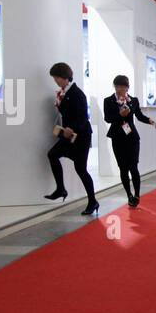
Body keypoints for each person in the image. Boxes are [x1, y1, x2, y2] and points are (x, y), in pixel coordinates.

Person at [46, 62, 98, 215]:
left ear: (65, 77)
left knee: (80, 168)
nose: (55, 80)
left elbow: (84, 117)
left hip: (81, 136)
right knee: (52, 154)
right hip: (68, 135)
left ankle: (93, 201)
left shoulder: (77, 93)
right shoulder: (62, 93)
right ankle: (61, 189)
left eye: (57, 77)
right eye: (54, 78)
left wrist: (72, 128)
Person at [103, 75, 156, 208]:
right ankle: (129, 195)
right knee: (123, 168)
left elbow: (139, 115)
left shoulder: (133, 100)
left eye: (123, 86)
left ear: (127, 87)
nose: (120, 89)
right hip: (117, 137)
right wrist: (120, 115)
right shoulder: (108, 101)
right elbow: (107, 118)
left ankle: (137, 195)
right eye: (117, 86)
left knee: (133, 166)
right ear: (114, 86)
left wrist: (150, 120)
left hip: (132, 137)